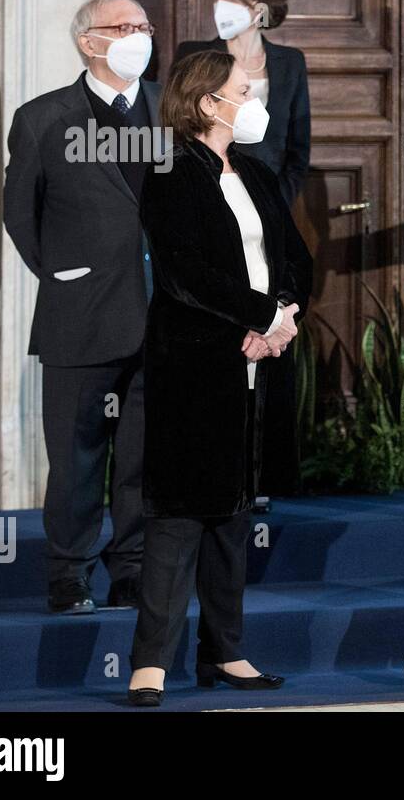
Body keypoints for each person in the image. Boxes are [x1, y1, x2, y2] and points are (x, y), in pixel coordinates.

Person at [125, 50, 312, 706]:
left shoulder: (256, 172)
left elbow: (295, 259)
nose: (255, 99)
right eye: (243, 90)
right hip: (196, 365)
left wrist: (281, 315)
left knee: (234, 514)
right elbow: (186, 275)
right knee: (179, 515)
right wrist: (261, 316)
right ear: (208, 102)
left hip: (258, 361)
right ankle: (149, 663)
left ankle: (225, 652)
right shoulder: (171, 173)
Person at [3, 0, 159, 615]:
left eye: (143, 26)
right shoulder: (43, 118)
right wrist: (67, 275)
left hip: (161, 315)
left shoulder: (171, 111)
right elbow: (22, 217)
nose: (136, 37)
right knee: (75, 459)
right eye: (122, 27)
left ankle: (133, 569)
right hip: (80, 316)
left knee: (145, 458)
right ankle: (69, 573)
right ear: (87, 41)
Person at [175, 0, 310, 207]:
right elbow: (177, 133)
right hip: (207, 198)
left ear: (262, 2)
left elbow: (298, 150)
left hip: (270, 200)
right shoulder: (192, 55)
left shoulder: (290, 62)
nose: (222, 5)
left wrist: (279, 201)